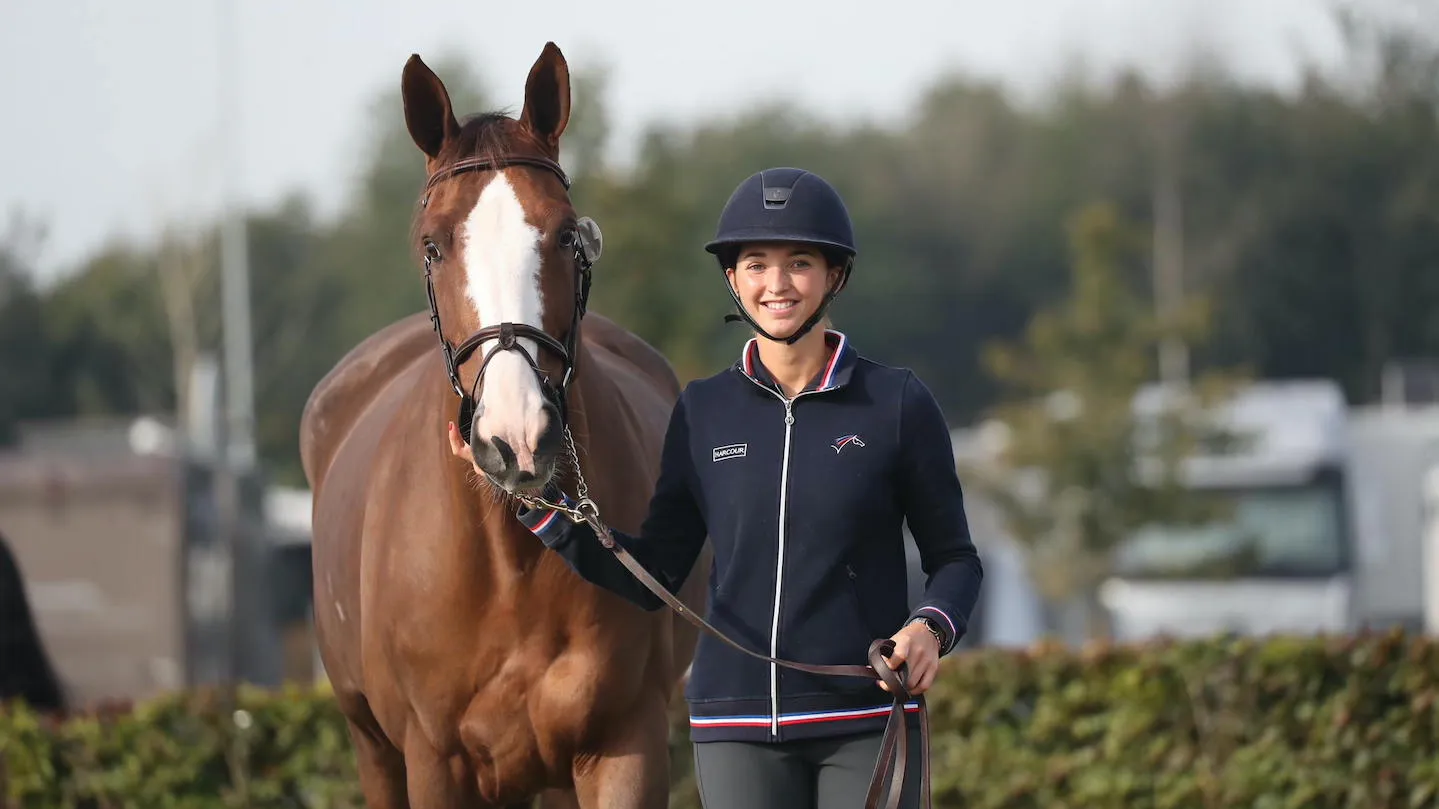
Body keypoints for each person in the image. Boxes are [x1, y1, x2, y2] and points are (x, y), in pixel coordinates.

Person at [447, 167, 983, 808]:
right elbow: (655, 573)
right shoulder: (703, 411)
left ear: (835, 275)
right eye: (756, 264)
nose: (776, 284)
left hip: (866, 716)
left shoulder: (896, 403)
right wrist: (539, 506)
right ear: (733, 278)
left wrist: (932, 625)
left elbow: (956, 558)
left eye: (800, 263)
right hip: (736, 728)